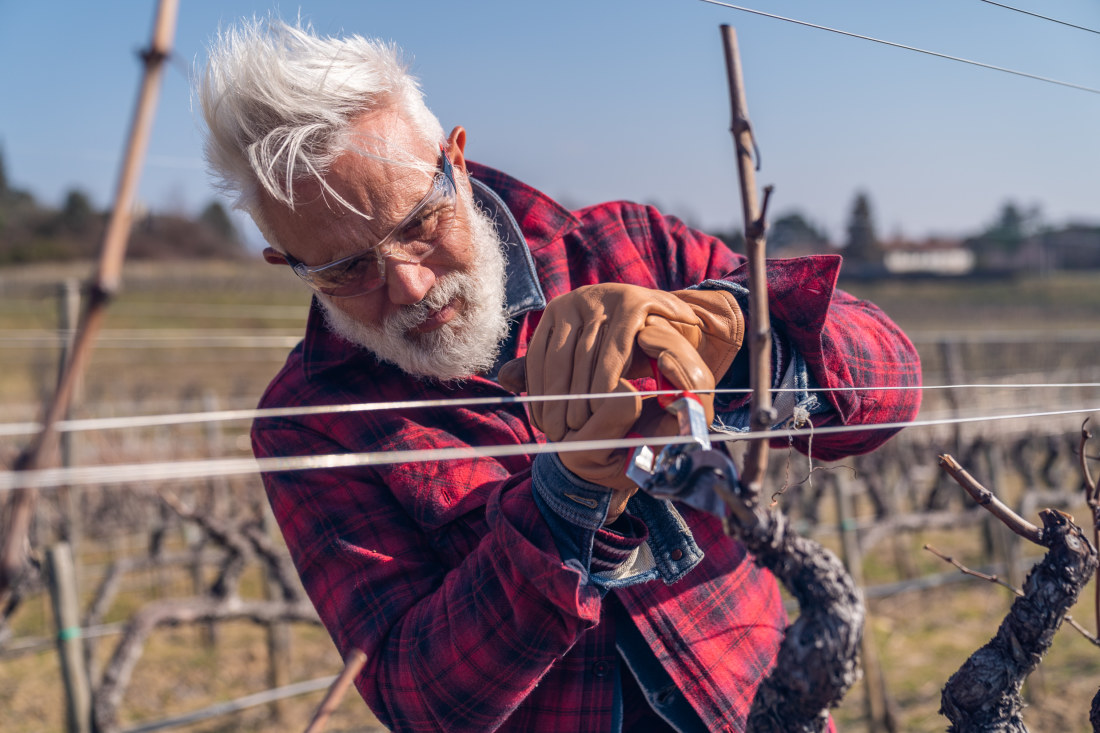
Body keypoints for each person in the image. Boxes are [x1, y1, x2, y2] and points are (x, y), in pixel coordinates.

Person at [199, 18, 921, 733]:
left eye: (419, 222)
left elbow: (892, 388)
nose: (412, 287)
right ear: (288, 264)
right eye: (345, 269)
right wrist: (565, 502)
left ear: (457, 160)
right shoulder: (307, 419)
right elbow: (423, 703)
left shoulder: (629, 247)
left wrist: (728, 331)